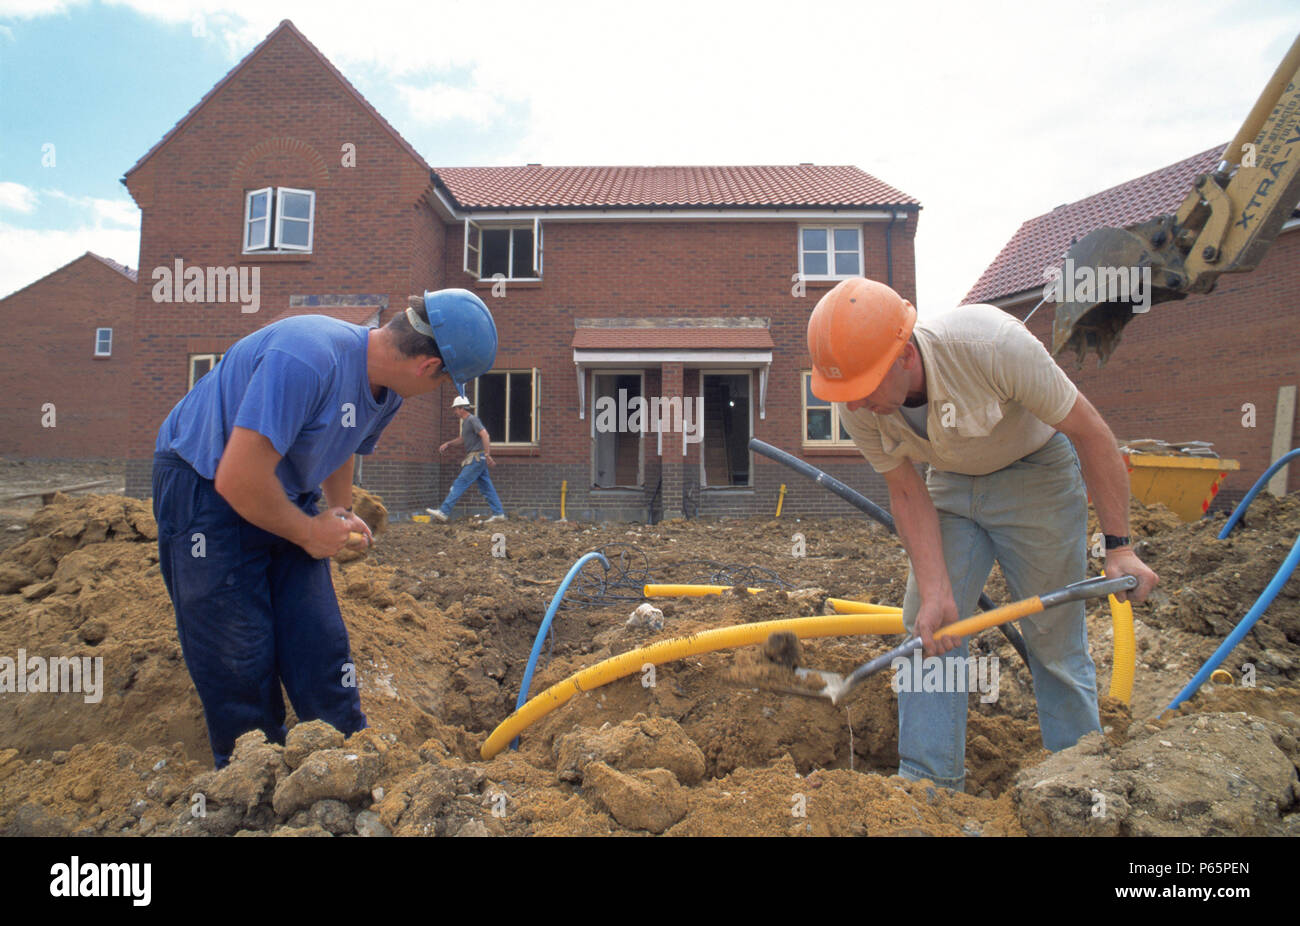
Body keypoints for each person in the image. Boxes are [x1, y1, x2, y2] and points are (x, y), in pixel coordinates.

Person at [806, 276, 1158, 792]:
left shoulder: (992, 346)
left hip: (1035, 475)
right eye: (847, 393)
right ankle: (928, 785)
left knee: (1053, 637)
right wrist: (937, 591)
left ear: (905, 355)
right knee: (928, 628)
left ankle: (1077, 782)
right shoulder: (858, 402)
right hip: (949, 483)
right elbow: (906, 491)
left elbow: (1091, 433)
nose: (854, 406)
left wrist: (1119, 547)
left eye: (863, 389)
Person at [152, 288, 497, 767]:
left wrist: (339, 510)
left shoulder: (384, 390)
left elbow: (341, 441)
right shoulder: (307, 358)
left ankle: (348, 757)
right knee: (238, 649)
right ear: (428, 367)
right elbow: (237, 479)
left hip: (280, 483)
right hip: (205, 484)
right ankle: (249, 774)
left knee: (317, 636)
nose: (440, 392)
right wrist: (309, 533)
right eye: (446, 383)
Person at [427, 395, 506, 522]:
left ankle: (444, 512)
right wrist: (448, 444)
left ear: (462, 408)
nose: (455, 412)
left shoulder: (472, 420)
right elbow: (462, 439)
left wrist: (487, 454)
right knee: (486, 487)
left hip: (476, 458)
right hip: (478, 459)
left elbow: (485, 435)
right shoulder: (466, 422)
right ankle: (498, 513)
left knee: (460, 483)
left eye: (456, 409)